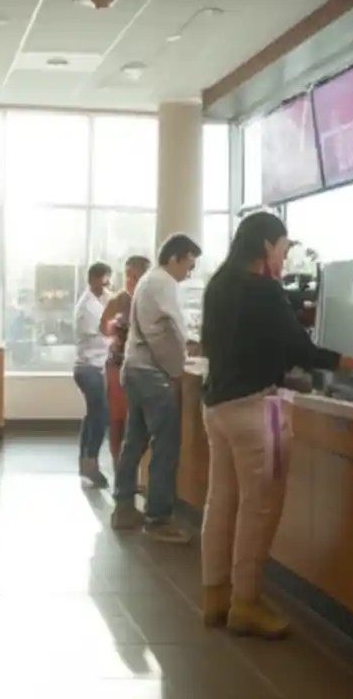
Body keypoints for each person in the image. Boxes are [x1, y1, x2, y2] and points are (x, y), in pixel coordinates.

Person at [199, 212, 353, 639]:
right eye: (283, 249)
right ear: (267, 245)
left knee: (221, 501)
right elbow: (301, 349)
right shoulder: (264, 289)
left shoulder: (218, 285)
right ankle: (246, 603)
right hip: (257, 409)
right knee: (260, 508)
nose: (284, 258)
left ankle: (215, 597)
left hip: (217, 409)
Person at [111, 233, 202, 544]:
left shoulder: (149, 280)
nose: (188, 273)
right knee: (166, 445)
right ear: (175, 258)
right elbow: (172, 330)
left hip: (134, 369)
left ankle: (124, 506)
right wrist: (179, 366)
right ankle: (159, 517)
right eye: (188, 265)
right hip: (153, 374)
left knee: (134, 441)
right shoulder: (164, 282)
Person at [100, 255, 151, 474]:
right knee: (118, 419)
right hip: (118, 365)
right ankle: (117, 465)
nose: (132, 281)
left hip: (143, 366)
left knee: (138, 421)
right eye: (129, 276)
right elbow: (103, 327)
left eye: (137, 276)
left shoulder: (149, 300)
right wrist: (116, 330)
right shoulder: (118, 300)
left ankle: (136, 471)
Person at [73, 262, 112, 488]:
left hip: (94, 366)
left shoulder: (99, 300)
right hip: (89, 368)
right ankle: (91, 463)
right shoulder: (88, 306)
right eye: (104, 279)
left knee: (93, 414)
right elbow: (104, 332)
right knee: (101, 416)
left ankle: (85, 462)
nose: (107, 284)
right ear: (93, 279)